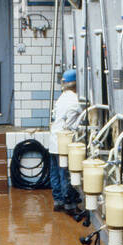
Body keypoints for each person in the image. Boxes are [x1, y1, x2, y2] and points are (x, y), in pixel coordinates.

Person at [51, 69, 82, 212]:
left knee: (55, 171)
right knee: (65, 172)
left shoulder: (62, 97)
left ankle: (58, 201)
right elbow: (70, 124)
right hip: (64, 141)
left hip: (53, 140)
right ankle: (69, 203)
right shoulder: (75, 100)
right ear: (76, 84)